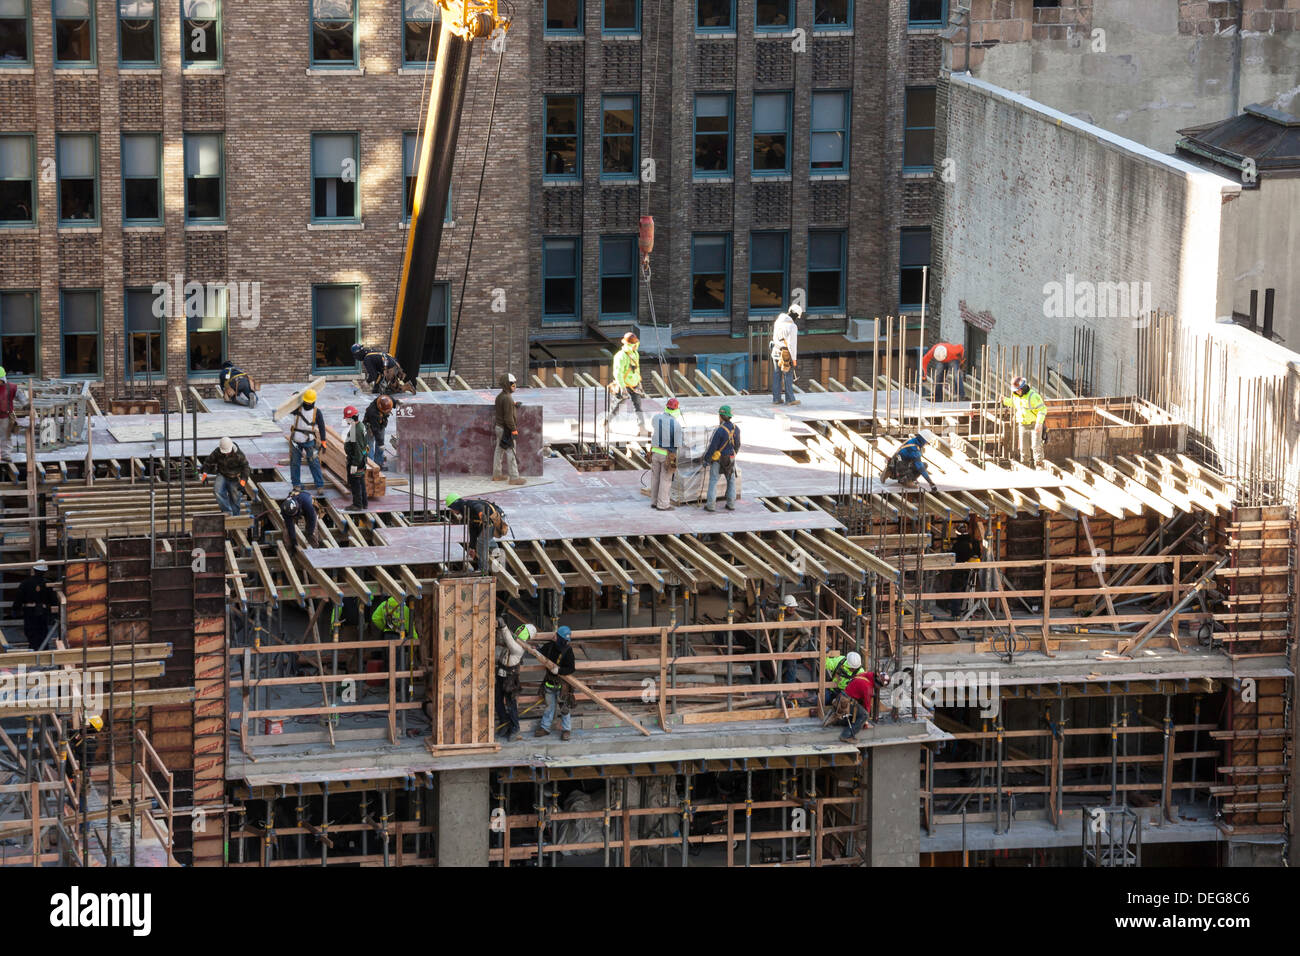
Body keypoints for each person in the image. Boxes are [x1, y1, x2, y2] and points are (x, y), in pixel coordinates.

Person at [444, 493, 509, 572]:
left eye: (452, 508)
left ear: (455, 505)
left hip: (494, 518)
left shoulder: (469, 505)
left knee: (481, 542)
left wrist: (481, 514)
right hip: (487, 520)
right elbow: (473, 529)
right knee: (481, 536)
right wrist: (472, 547)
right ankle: (494, 549)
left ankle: (483, 569)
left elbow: (477, 507)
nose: (452, 511)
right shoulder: (466, 513)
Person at [535, 625, 576, 741]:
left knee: (564, 708)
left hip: (561, 685)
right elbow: (541, 651)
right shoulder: (550, 646)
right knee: (549, 707)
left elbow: (571, 669)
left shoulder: (568, 651)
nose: (555, 636)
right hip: (549, 683)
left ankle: (566, 730)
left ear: (560, 638)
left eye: (557, 635)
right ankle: (545, 728)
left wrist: (559, 671)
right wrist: (536, 649)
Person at [941, 515, 985, 619]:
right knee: (967, 591)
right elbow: (979, 554)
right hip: (974, 571)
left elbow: (953, 557)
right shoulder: (974, 542)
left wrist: (948, 550)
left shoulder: (958, 545)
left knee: (955, 591)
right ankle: (967, 611)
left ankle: (956, 614)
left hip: (960, 571)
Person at [496, 620, 533, 742]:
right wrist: (500, 630)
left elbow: (509, 642)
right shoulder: (512, 643)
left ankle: (515, 729)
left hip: (510, 679)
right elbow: (503, 640)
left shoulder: (518, 648)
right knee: (498, 702)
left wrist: (504, 627)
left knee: (511, 706)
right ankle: (505, 724)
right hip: (501, 675)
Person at [286, 389, 326, 493]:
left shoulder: (317, 412)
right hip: (296, 440)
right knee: (295, 463)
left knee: (314, 463)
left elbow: (322, 427)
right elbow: (287, 407)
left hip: (309, 441)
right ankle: (296, 484)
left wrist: (323, 441)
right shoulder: (296, 409)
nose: (307, 404)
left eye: (309, 402)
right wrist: (294, 398)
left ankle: (319, 485)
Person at [1003, 375, 1047, 468]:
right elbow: (1014, 403)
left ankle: (1039, 465)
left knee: (1036, 446)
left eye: (1018, 389)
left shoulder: (1033, 396)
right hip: (1023, 425)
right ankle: (1025, 465)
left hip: (1034, 424)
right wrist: (1004, 400)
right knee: (1023, 447)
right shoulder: (1016, 396)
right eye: (1015, 390)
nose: (1017, 392)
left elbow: (1042, 410)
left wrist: (1039, 423)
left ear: (1023, 387)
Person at [609, 332, 648, 435]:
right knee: (617, 406)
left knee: (638, 406)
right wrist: (622, 387)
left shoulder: (635, 354)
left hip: (634, 384)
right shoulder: (621, 356)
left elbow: (636, 370)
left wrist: (639, 382)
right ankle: (605, 424)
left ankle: (642, 428)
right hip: (624, 385)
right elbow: (618, 372)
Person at [199, 436, 250, 516]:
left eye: (227, 452)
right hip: (222, 474)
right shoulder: (217, 452)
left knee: (235, 497)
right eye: (224, 452)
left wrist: (243, 481)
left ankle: (236, 516)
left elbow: (246, 467)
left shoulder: (239, 455)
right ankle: (227, 511)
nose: (226, 453)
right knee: (217, 491)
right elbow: (208, 462)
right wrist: (205, 474)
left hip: (234, 476)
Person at [648, 397, 684, 511]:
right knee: (665, 479)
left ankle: (654, 502)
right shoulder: (676, 424)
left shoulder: (656, 417)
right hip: (667, 455)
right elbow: (678, 444)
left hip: (655, 452)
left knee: (655, 477)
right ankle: (663, 504)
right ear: (676, 410)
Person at [704, 405, 741, 512]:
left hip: (718, 459)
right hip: (730, 458)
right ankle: (731, 504)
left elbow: (712, 447)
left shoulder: (719, 430)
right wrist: (734, 454)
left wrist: (706, 459)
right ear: (729, 416)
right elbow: (737, 444)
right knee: (731, 480)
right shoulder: (736, 428)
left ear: (720, 416)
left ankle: (710, 506)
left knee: (713, 481)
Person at [14, 559, 58, 648]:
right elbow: (54, 600)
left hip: (29, 612)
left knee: (31, 633)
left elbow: (19, 598)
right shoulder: (48, 584)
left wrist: (16, 610)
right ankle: (43, 651)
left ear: (34, 570)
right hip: (43, 611)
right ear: (45, 571)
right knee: (43, 633)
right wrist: (53, 613)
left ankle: (33, 652)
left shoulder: (25, 583)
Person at [493, 373, 526, 485]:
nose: (514, 385)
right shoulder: (507, 398)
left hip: (499, 427)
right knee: (511, 451)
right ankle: (514, 477)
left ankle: (496, 475)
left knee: (499, 451)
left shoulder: (501, 396)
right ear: (507, 384)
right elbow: (507, 417)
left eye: (515, 383)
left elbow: (503, 409)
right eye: (512, 383)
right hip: (506, 429)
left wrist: (514, 404)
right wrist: (514, 429)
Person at [841, 670, 890, 741]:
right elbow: (867, 706)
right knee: (864, 715)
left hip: (843, 696)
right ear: (878, 685)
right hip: (847, 702)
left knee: (859, 710)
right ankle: (846, 735)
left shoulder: (868, 674)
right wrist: (865, 723)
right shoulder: (868, 687)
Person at [770, 305, 801, 406]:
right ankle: (790, 399)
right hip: (786, 354)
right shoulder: (792, 326)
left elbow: (774, 337)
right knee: (788, 376)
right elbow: (792, 344)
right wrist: (794, 359)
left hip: (775, 351)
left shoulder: (778, 321)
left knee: (776, 375)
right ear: (795, 315)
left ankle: (776, 399)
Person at [342, 405, 369, 511]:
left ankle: (357, 505)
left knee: (355, 484)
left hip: (356, 460)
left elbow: (357, 448)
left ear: (351, 418)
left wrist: (354, 464)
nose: (346, 420)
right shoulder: (360, 426)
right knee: (361, 482)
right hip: (361, 459)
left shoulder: (355, 431)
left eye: (347, 418)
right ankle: (364, 503)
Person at [0, 367, 28, 465]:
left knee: (6, 436)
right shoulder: (11, 387)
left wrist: (25, 404)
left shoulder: (11, 387)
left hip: (6, 417)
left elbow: (20, 395)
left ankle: (6, 455)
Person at [364, 394, 393, 470]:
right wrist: (380, 443)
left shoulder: (385, 400)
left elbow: (391, 400)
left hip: (381, 424)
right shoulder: (373, 413)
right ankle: (371, 466)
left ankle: (379, 463)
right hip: (371, 427)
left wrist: (397, 402)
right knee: (369, 446)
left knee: (380, 445)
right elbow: (376, 430)